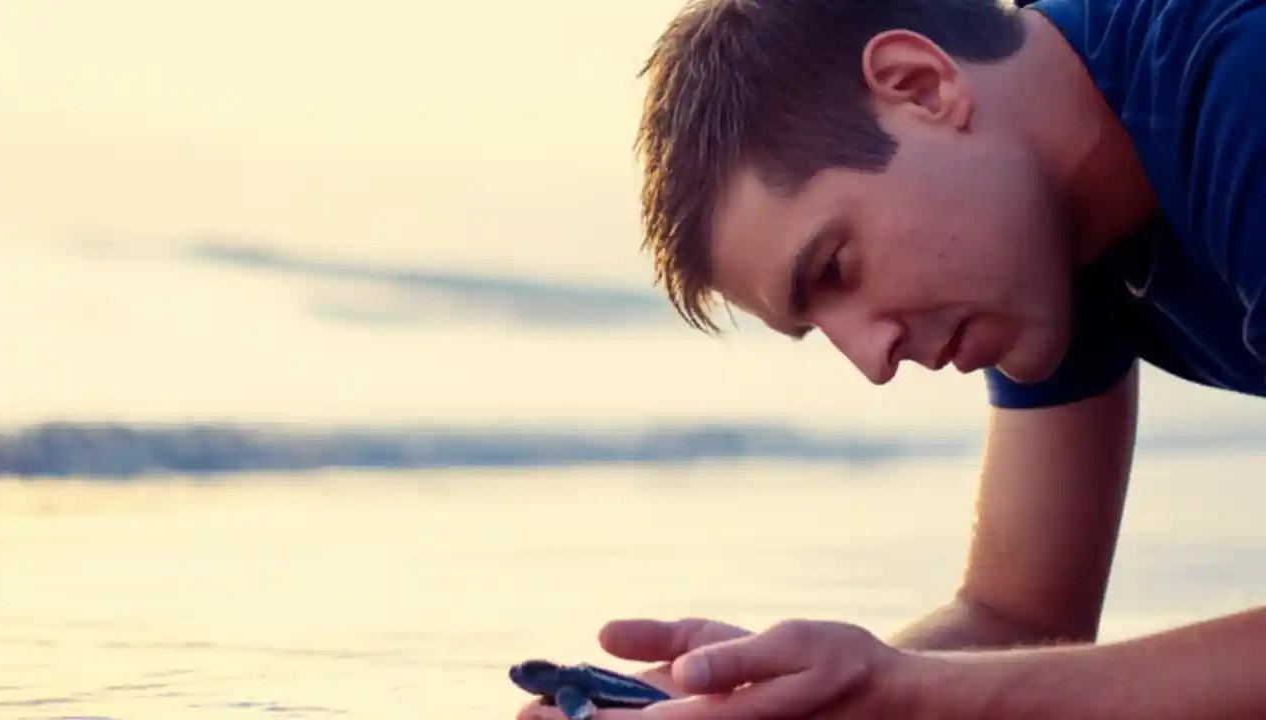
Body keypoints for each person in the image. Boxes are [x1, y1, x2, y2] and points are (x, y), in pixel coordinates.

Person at [517, 0, 1266, 716]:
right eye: (819, 326)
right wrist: (787, 700)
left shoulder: (1242, 82)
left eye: (836, 268)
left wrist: (910, 698)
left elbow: (968, 681)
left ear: (921, 85)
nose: (873, 359)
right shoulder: (1031, 218)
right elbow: (1014, 616)